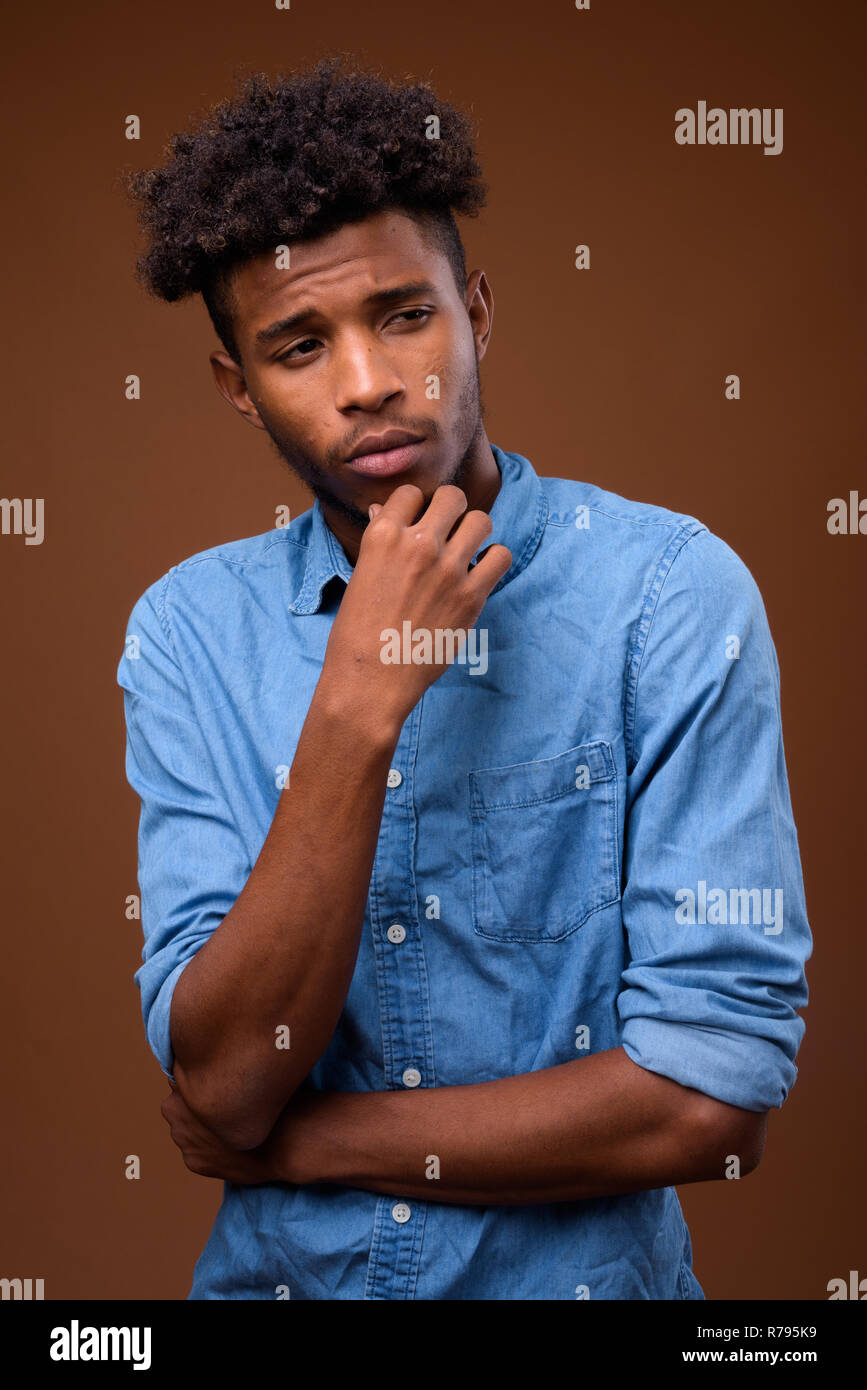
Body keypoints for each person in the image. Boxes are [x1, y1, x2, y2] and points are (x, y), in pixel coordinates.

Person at [116, 54, 811, 1301]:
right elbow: (224, 1080)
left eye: (402, 314)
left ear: (475, 313)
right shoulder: (185, 635)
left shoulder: (669, 597)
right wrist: (357, 706)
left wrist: (312, 1144)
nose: (369, 381)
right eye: (297, 343)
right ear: (239, 388)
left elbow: (712, 1099)